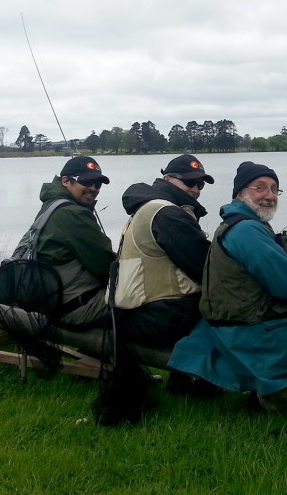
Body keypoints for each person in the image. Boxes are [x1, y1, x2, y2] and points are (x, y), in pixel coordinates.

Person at [168, 161, 287, 408]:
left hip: (237, 324)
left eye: (274, 189)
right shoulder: (247, 231)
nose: (269, 195)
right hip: (256, 330)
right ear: (240, 193)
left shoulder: (232, 224)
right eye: (260, 188)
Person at [94, 154, 217, 425]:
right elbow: (204, 266)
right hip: (155, 316)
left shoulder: (149, 207)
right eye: (189, 182)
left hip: (130, 313)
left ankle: (187, 380)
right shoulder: (168, 214)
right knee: (224, 307)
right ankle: (205, 380)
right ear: (167, 180)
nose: (195, 189)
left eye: (201, 185)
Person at [34, 155, 115, 330]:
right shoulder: (73, 214)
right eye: (86, 181)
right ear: (65, 181)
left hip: (53, 303)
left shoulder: (52, 204)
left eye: (98, 184)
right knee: (143, 307)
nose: (93, 188)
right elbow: (107, 265)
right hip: (75, 309)